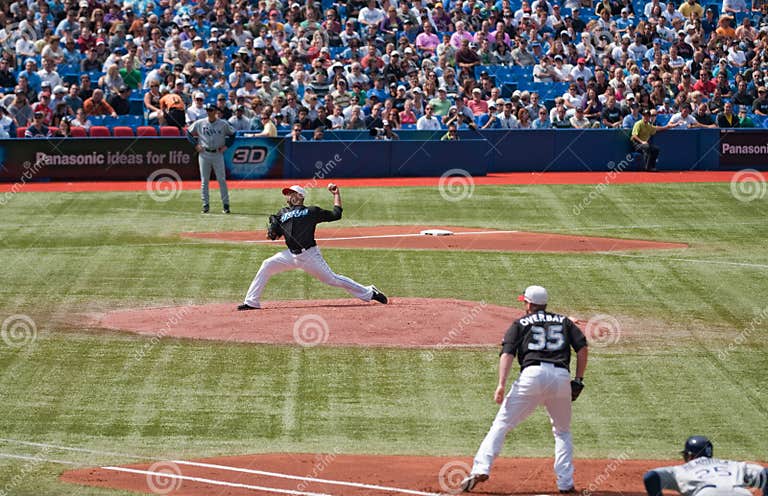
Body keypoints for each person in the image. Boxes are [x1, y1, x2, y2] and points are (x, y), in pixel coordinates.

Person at [461, 285, 589, 494]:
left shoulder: (520, 323)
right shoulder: (564, 321)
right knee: (562, 432)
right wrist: (579, 379)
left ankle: (480, 468)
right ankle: (565, 483)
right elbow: (582, 347)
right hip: (560, 378)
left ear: (529, 304)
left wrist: (501, 384)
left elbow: (507, 353)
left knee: (501, 425)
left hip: (532, 376)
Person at [238, 184, 388, 311]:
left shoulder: (312, 211)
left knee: (332, 279)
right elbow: (273, 237)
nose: (287, 196)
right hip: (290, 255)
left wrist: (336, 194)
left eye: (290, 193)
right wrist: (271, 229)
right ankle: (251, 302)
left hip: (309, 255)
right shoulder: (282, 213)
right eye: (287, 194)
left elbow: (336, 214)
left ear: (299, 195)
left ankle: (369, 292)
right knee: (267, 265)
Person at [643, 436, 768, 496]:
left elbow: (651, 477)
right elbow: (766, 474)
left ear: (690, 456)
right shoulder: (734, 465)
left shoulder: (683, 470)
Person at [188, 104, 236, 214]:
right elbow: (188, 133)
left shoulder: (223, 124)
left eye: (211, 110)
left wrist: (227, 146)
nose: (209, 112)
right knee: (204, 181)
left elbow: (233, 134)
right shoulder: (200, 123)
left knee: (221, 180)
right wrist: (196, 145)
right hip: (204, 153)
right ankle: (205, 205)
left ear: (215, 111)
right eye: (207, 110)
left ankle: (226, 205)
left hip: (217, 153)